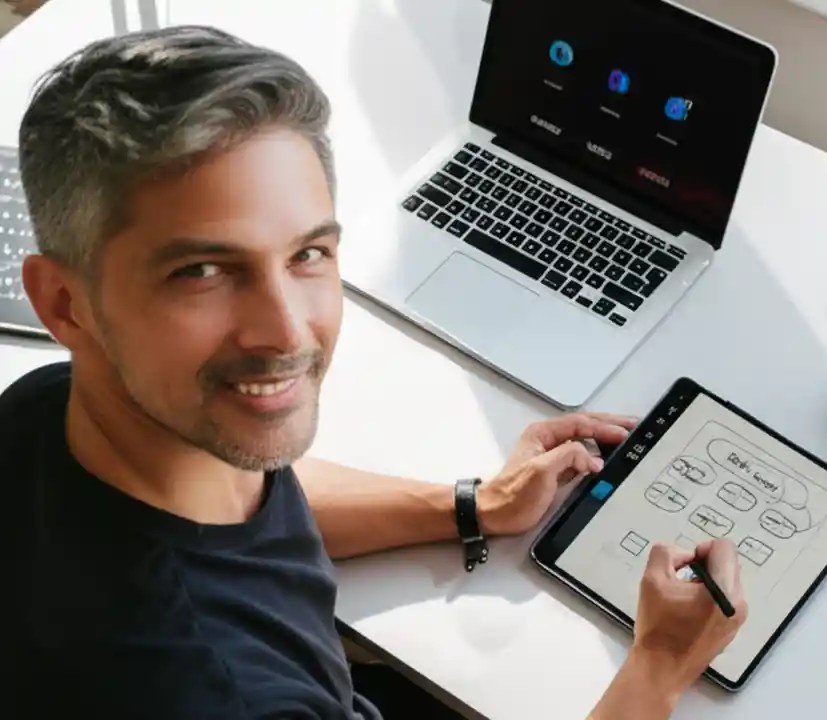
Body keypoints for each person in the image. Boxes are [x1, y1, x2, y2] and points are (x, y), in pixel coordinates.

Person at [4, 26, 746, 719]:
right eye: (201, 270)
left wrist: (473, 506)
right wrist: (657, 666)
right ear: (65, 304)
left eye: (307, 254)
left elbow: (249, 499)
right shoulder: (214, 688)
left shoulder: (58, 408)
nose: (289, 330)